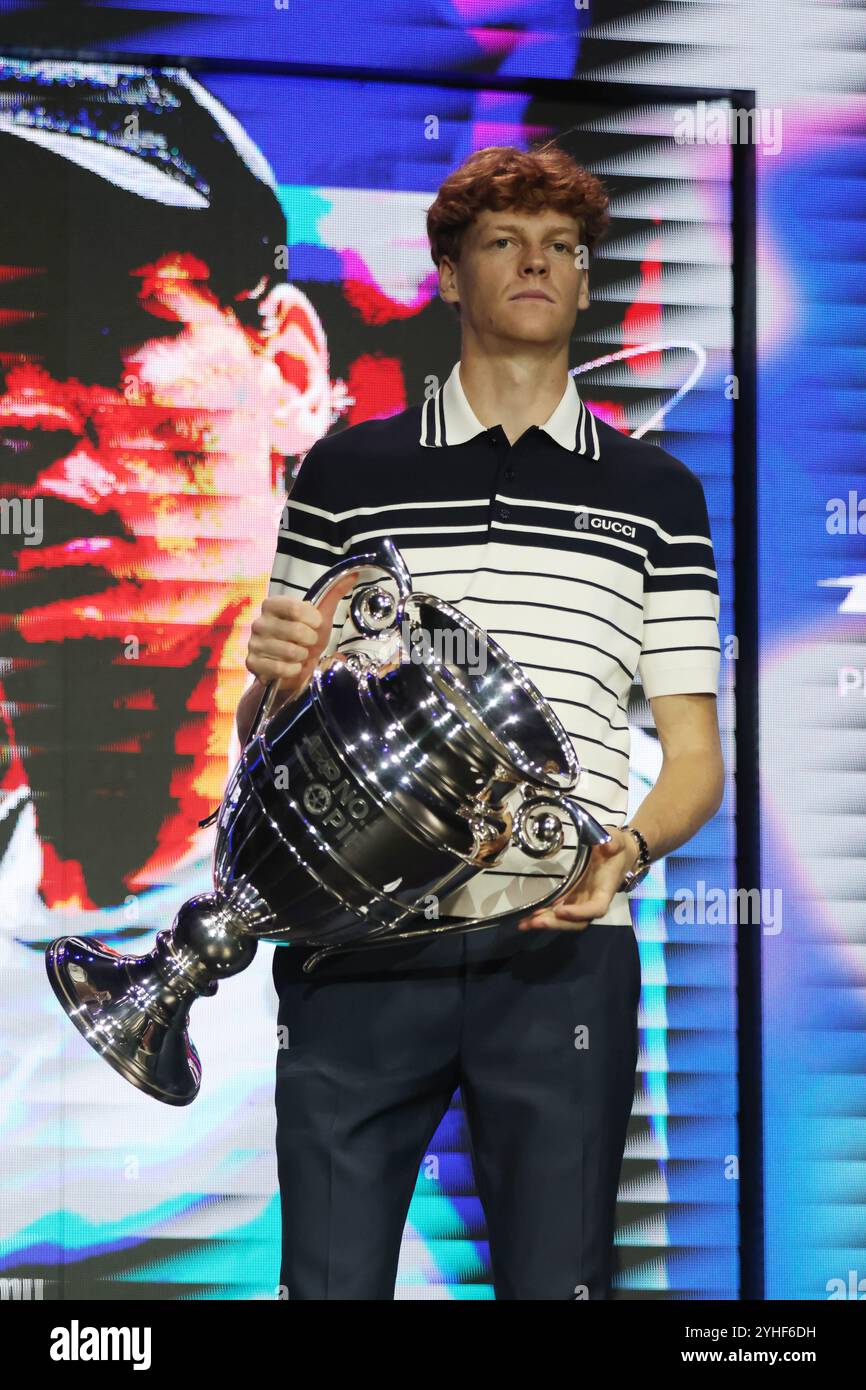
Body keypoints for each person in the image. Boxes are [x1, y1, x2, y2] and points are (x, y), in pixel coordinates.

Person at [240, 143, 725, 1300]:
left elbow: (695, 756)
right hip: (353, 949)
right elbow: (265, 735)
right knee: (327, 1286)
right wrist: (272, 677)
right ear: (449, 275)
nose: (535, 264)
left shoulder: (657, 492)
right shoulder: (345, 471)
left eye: (560, 246)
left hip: (560, 953)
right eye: (504, 241)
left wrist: (628, 853)